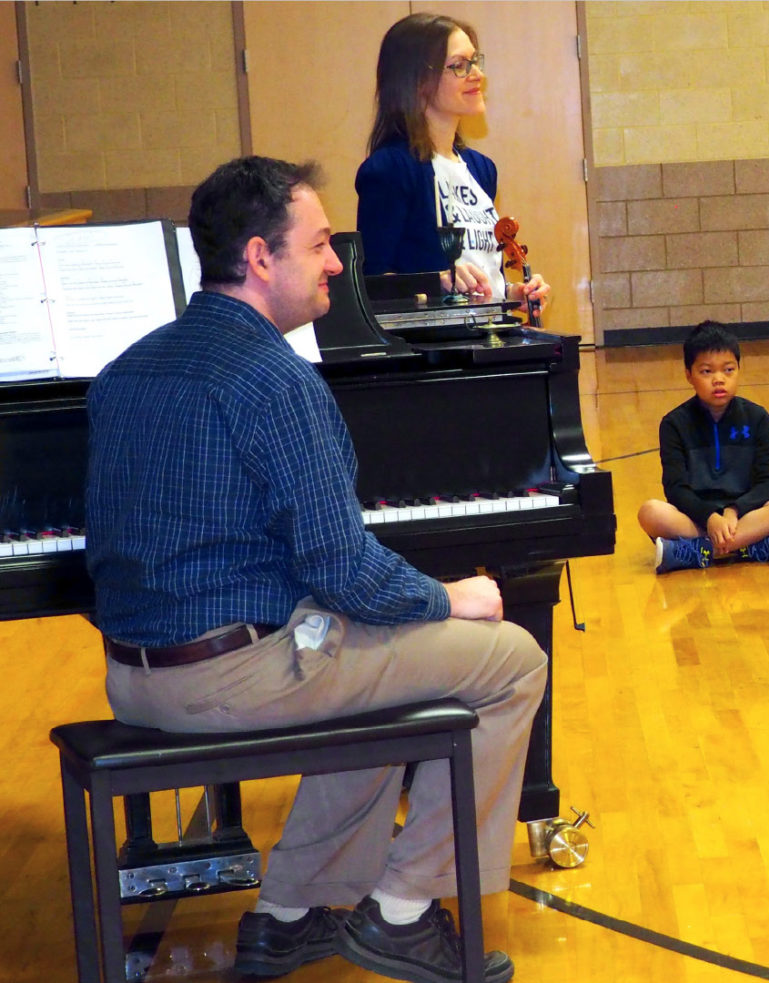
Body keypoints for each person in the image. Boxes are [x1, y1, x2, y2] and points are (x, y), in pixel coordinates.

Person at [86, 156, 535, 983]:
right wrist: (451, 595)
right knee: (510, 658)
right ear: (261, 258)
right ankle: (404, 911)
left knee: (364, 655)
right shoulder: (275, 380)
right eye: (322, 243)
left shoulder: (126, 370)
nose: (337, 262)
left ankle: (287, 915)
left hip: (131, 678)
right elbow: (346, 570)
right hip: (233, 677)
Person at [356, 12, 549, 310]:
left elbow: (479, 271)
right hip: (436, 350)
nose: (477, 75)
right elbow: (371, 285)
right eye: (459, 66)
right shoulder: (390, 169)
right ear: (417, 81)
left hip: (487, 337)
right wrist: (436, 281)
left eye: (474, 62)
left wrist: (512, 293)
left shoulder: (482, 168)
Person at [637, 323, 769, 572]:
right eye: (706, 371)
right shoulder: (674, 424)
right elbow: (676, 488)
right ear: (688, 374)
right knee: (650, 512)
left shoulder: (757, 418)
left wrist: (733, 511)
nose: (719, 379)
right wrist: (710, 517)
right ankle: (750, 547)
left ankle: (698, 551)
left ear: (738, 370)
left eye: (728, 370)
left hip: (744, 516)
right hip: (696, 518)